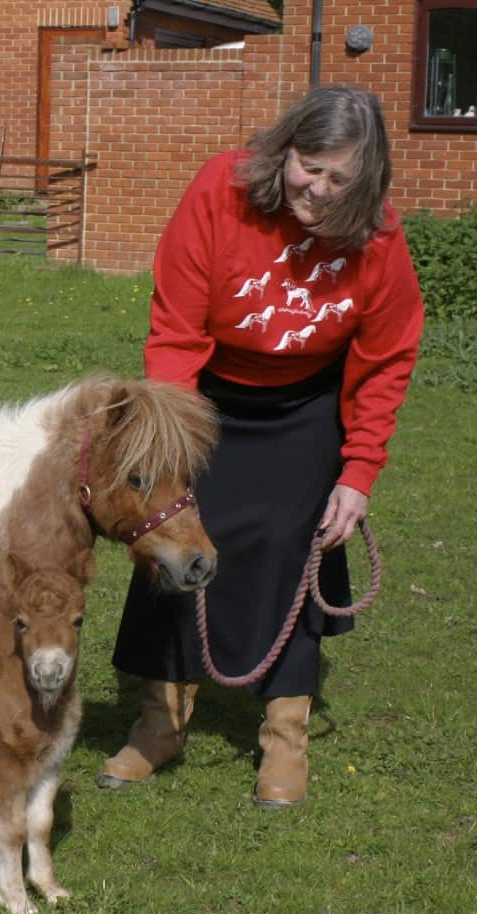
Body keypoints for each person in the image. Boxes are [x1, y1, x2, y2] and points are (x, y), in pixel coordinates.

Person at [98, 86, 424, 807]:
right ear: (285, 152)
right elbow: (177, 326)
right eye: (311, 167)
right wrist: (173, 437)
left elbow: (386, 355)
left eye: (341, 179)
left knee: (294, 543)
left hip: (306, 406)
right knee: (173, 537)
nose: (320, 190)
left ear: (366, 181)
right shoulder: (222, 190)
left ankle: (285, 736)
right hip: (208, 395)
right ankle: (159, 721)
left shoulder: (378, 236)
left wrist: (359, 470)